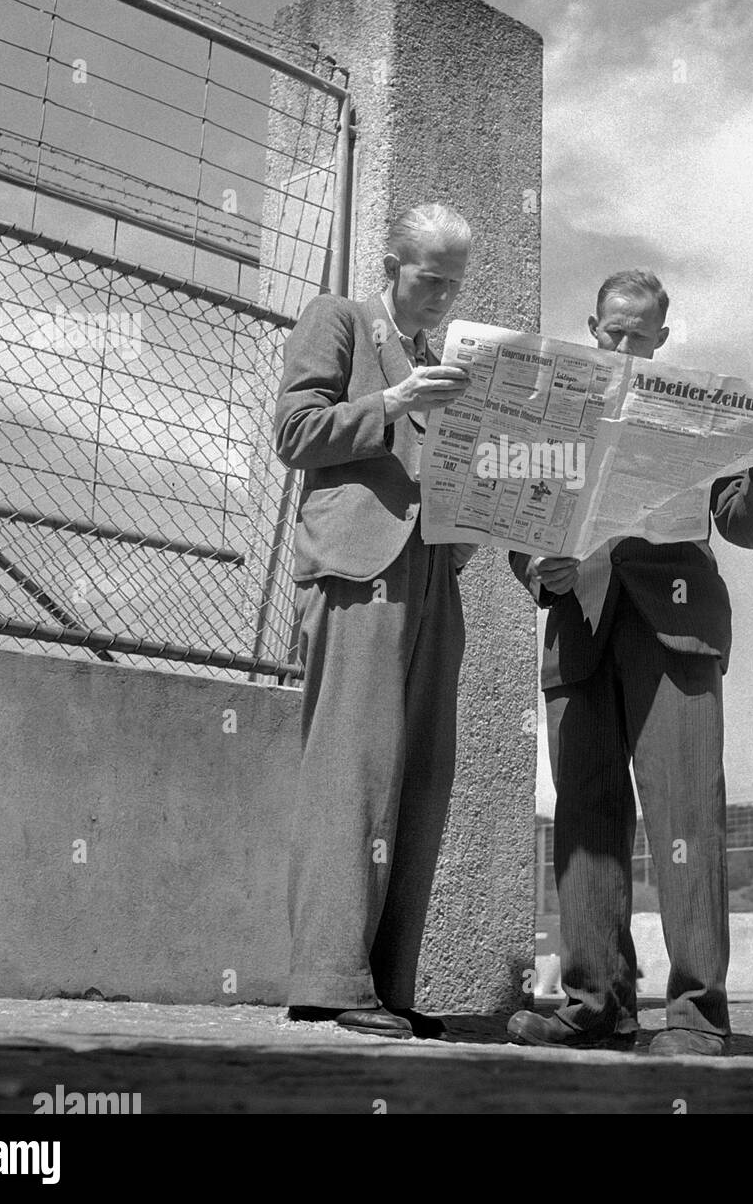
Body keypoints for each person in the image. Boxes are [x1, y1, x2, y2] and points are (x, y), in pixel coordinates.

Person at [507, 270, 753, 1056]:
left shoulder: (699, 412)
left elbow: (741, 525)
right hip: (578, 629)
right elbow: (524, 518)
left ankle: (698, 1017)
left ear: (663, 340)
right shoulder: (556, 408)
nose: (623, 344)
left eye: (639, 334)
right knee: (584, 822)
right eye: (611, 330)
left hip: (674, 629)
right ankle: (595, 1004)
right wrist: (536, 566)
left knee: (686, 820)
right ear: (592, 326)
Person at [274, 202, 476, 1040]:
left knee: (421, 778)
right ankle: (327, 980)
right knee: (352, 772)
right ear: (392, 265)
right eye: (430, 280)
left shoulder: (450, 358)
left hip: (434, 571)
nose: (441, 298)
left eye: (454, 285)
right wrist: (392, 400)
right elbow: (294, 431)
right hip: (358, 567)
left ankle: (385, 983)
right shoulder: (341, 320)